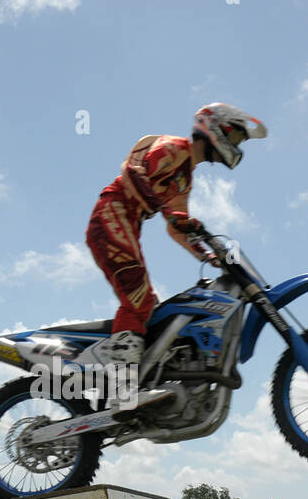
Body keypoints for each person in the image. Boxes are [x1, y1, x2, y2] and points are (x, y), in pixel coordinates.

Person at [84, 103, 268, 368]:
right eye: (237, 136)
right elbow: (134, 172)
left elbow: (176, 226)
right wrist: (166, 211)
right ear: (217, 127)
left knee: (154, 309)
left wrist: (208, 255)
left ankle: (146, 373)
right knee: (140, 299)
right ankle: (121, 385)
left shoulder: (185, 179)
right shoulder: (173, 147)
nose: (237, 145)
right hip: (112, 215)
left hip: (126, 223)